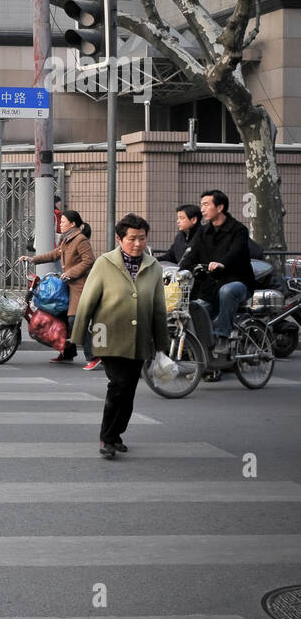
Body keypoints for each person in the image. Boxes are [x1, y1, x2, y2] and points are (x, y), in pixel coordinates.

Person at [71, 213, 168, 459]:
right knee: (118, 384)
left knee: (130, 388)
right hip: (108, 335)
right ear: (119, 238)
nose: (137, 244)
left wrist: (161, 344)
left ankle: (116, 435)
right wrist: (79, 335)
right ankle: (107, 437)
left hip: (140, 338)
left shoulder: (153, 267)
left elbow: (158, 306)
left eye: (142, 238)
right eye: (132, 239)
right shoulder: (104, 263)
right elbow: (88, 300)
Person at [178, 189, 254, 355]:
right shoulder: (203, 232)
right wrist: (179, 272)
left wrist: (221, 264)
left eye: (206, 204)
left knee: (227, 291)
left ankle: (223, 338)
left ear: (219, 208)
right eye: (201, 205)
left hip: (238, 282)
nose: (202, 209)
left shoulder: (238, 230)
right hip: (212, 287)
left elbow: (236, 252)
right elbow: (191, 255)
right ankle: (207, 361)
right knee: (196, 309)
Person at [20, 209, 97, 368]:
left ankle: (94, 357)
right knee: (60, 316)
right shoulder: (67, 239)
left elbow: (89, 260)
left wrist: (70, 273)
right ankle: (68, 353)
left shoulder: (80, 240)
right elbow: (54, 254)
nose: (60, 224)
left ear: (73, 224)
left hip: (79, 286)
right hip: (67, 285)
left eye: (63, 222)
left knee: (74, 319)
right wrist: (32, 259)